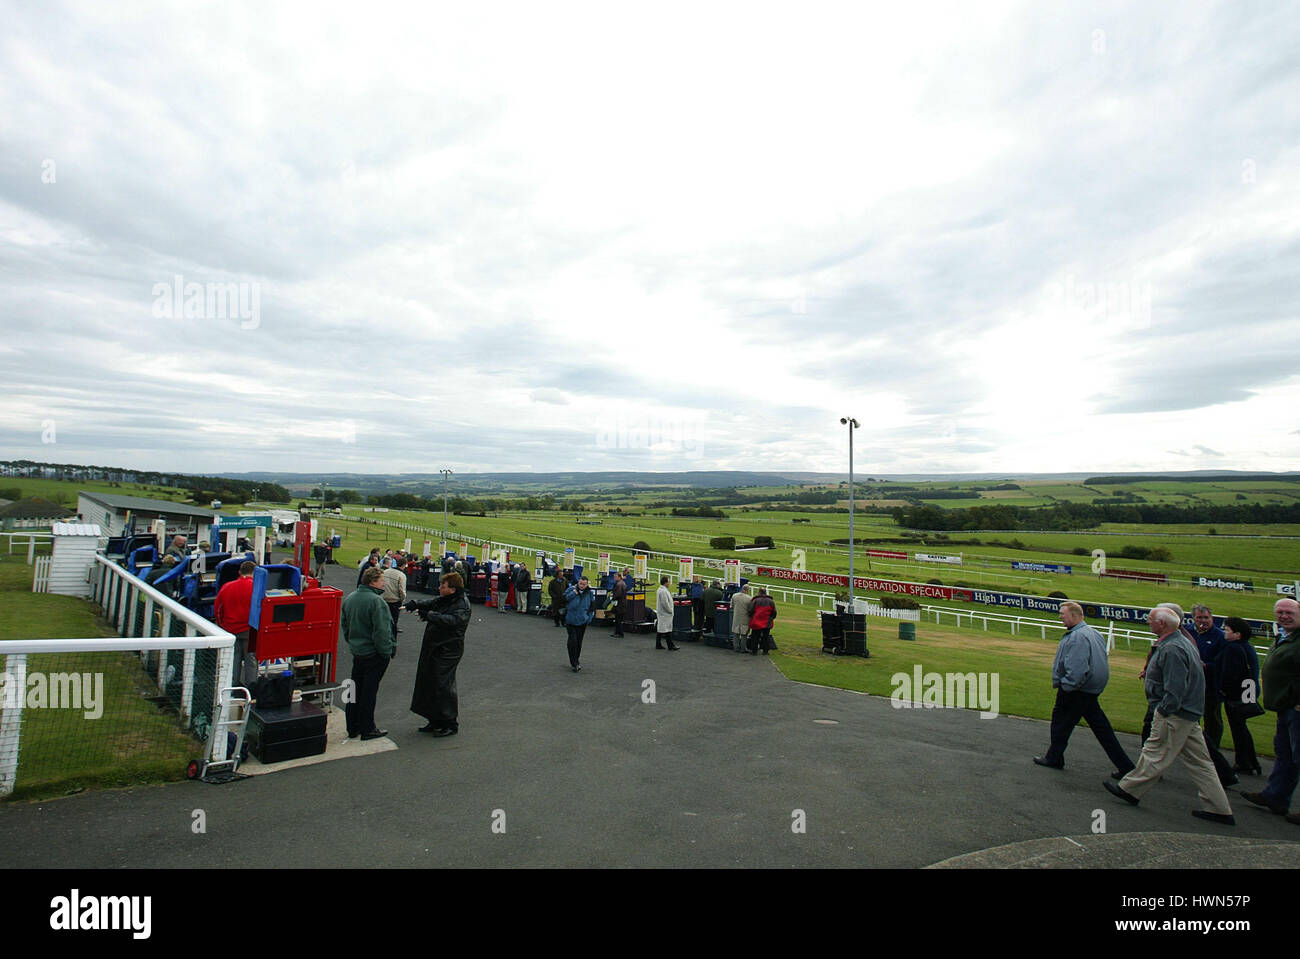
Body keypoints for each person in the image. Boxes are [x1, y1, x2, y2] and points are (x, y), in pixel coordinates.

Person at [1103, 606, 1235, 825]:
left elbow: (1175, 688)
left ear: (1162, 624)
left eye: (1151, 619)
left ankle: (1129, 789)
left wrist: (1163, 710)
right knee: (1201, 763)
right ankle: (1219, 808)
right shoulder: (1182, 642)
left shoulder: (1172, 648)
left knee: (1155, 751)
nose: (1148, 622)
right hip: (1188, 713)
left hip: (1175, 713)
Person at [1033, 601, 1135, 775]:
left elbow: (1077, 668)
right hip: (1089, 690)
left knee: (1060, 723)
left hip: (1076, 691)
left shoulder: (1077, 637)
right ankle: (1126, 767)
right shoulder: (1093, 633)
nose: (1060, 617)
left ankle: (1054, 758)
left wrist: (1066, 686)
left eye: (1062, 614)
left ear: (1074, 615)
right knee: (1102, 730)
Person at [1240, 598, 1300, 824]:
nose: (1283, 616)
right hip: (1285, 706)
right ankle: (1275, 796)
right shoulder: (1285, 636)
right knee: (1285, 754)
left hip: (1296, 707)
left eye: (1289, 612)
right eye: (1280, 612)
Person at [406, 571, 471, 737]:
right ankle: (434, 719)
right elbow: (432, 602)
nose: (440, 588)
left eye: (443, 586)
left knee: (443, 684)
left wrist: (430, 616)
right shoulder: (446, 599)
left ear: (453, 589)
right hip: (435, 645)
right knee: (429, 681)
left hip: (449, 650)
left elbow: (454, 621)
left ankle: (450, 722)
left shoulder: (462, 604)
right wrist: (415, 604)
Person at [341, 567, 394, 741]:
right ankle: (367, 728)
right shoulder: (376, 602)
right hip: (373, 653)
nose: (383, 583)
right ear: (372, 582)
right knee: (369, 692)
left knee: (354, 689)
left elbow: (346, 626)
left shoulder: (350, 598)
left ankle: (352, 726)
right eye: (381, 580)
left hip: (358, 651)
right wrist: (386, 651)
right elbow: (382, 631)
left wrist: (353, 642)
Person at [1219, 616, 1262, 776]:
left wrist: (1223, 690)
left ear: (1237, 634)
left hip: (1236, 694)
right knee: (1241, 727)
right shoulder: (1246, 646)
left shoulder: (1233, 648)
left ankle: (1244, 761)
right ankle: (1250, 760)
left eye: (1227, 630)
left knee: (1238, 729)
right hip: (1248, 691)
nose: (1224, 632)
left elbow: (1229, 674)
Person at [214, 560, 258, 688]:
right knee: (251, 660)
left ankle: (231, 686)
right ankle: (251, 687)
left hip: (230, 628)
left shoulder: (227, 586)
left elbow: (218, 608)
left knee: (233, 659)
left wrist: (221, 625)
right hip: (250, 629)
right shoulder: (255, 587)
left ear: (240, 572)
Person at [1191, 604, 1227, 748]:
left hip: (1211, 686)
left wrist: (1206, 666)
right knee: (1191, 717)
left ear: (1212, 618)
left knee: (1212, 719)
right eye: (1199, 617)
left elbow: (1224, 662)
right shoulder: (1188, 632)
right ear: (1193, 618)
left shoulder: (1220, 637)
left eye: (1206, 617)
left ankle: (1212, 748)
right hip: (1191, 684)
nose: (1203, 620)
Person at [563, 576, 595, 672]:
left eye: (584, 584)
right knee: (573, 641)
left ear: (587, 584)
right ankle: (574, 663)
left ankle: (576, 660)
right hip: (571, 620)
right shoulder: (571, 589)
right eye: (580, 584)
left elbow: (592, 607)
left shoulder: (589, 593)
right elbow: (564, 598)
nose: (582, 586)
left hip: (582, 621)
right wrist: (573, 594)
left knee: (578, 643)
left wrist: (588, 618)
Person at [380, 556, 407, 641]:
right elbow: (402, 590)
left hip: (383, 598)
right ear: (403, 565)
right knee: (393, 622)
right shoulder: (401, 575)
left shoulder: (386, 571)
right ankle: (391, 641)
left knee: (382, 620)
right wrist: (402, 600)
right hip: (394, 601)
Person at [748, 588, 777, 655]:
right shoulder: (771, 601)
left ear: (759, 592)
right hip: (767, 622)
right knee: (765, 637)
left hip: (756, 621)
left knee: (755, 636)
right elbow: (774, 612)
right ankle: (765, 651)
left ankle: (754, 651)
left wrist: (752, 616)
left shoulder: (755, 600)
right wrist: (771, 618)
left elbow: (750, 610)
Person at [655, 575, 679, 651]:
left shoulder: (662, 590)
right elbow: (664, 603)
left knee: (662, 629)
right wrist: (670, 610)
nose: (669, 583)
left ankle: (658, 644)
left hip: (664, 613)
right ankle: (670, 645)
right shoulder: (662, 591)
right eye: (668, 582)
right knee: (667, 630)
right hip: (665, 613)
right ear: (666, 582)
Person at [730, 584, 752, 653]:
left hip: (736, 616)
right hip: (745, 617)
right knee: (744, 633)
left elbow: (732, 606)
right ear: (747, 590)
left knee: (736, 633)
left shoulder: (734, 595)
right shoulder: (749, 598)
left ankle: (736, 647)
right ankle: (743, 648)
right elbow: (750, 609)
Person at [610, 569, 628, 637]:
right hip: (622, 603)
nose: (614, 578)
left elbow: (618, 594)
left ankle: (620, 633)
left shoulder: (619, 584)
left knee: (618, 619)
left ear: (619, 577)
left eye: (615, 577)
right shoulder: (622, 583)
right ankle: (617, 632)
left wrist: (612, 597)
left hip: (620, 604)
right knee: (618, 619)